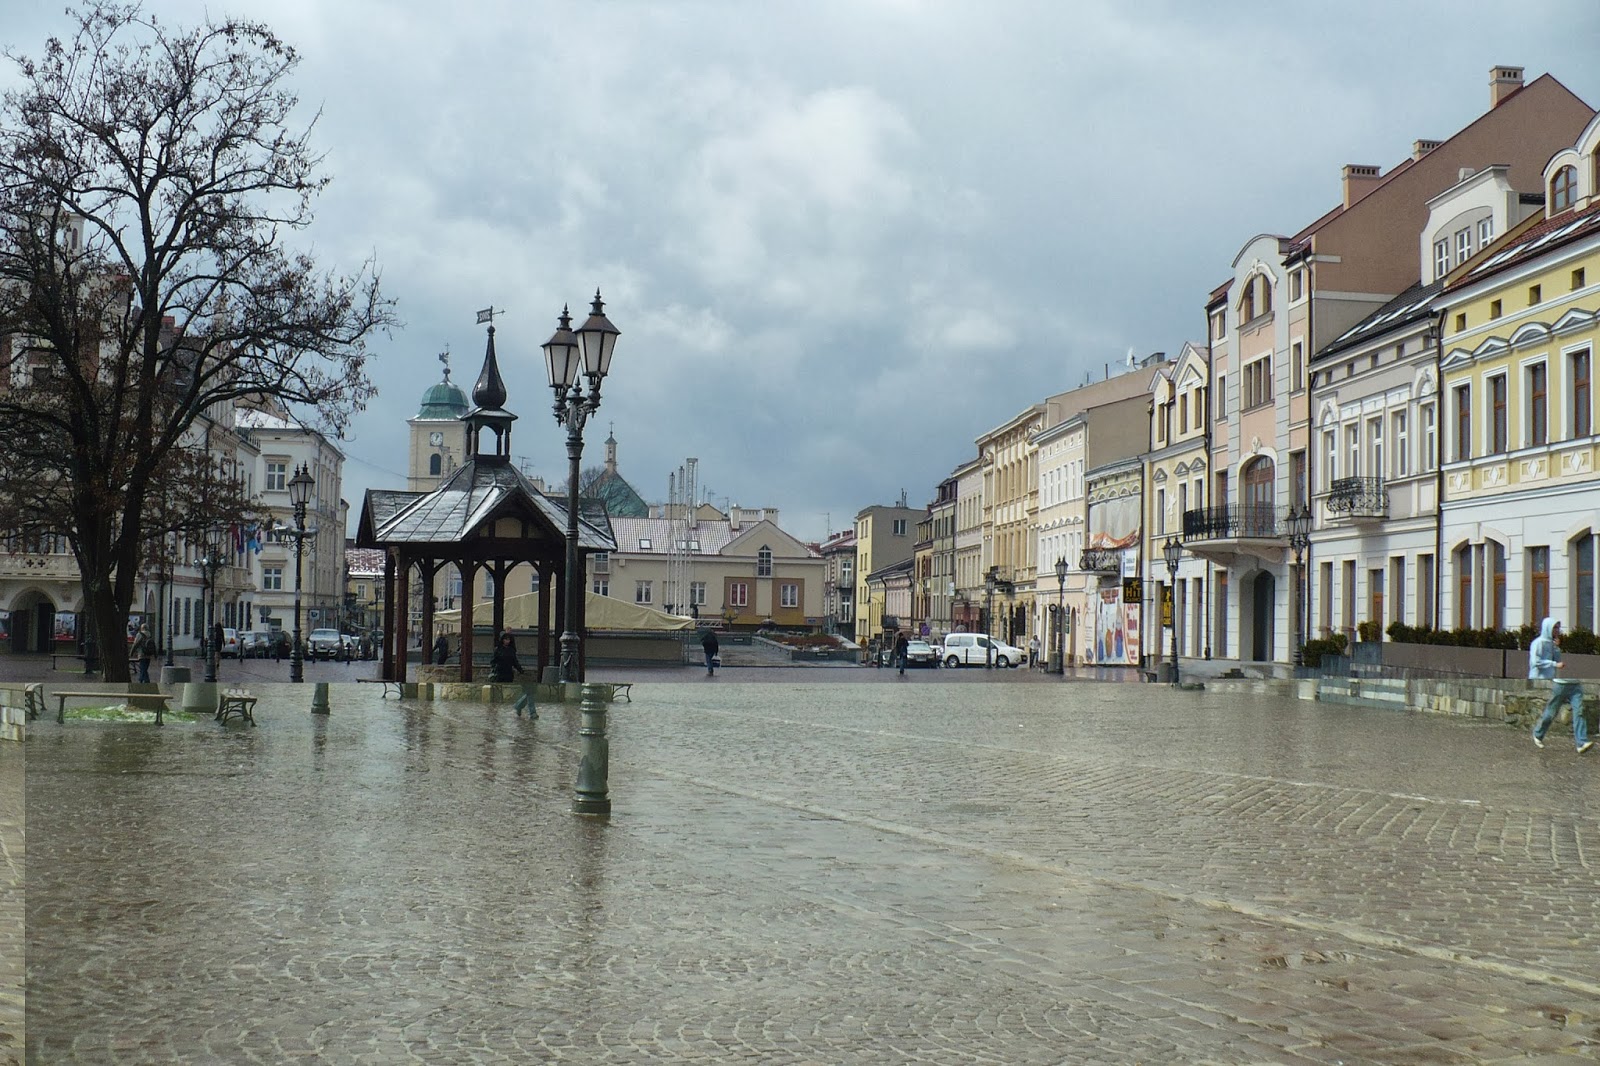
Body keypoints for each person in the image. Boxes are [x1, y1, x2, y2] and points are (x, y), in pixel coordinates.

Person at [1530, 617, 1593, 753]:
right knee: (1551, 712)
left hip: (1575, 684)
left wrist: (1557, 649)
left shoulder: (1554, 644)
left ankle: (1581, 743)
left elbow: (1560, 662)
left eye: (1558, 628)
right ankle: (1538, 734)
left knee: (1579, 712)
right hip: (1560, 684)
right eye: (1554, 628)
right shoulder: (1538, 643)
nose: (1557, 630)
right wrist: (1554, 664)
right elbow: (1536, 662)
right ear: (1547, 628)